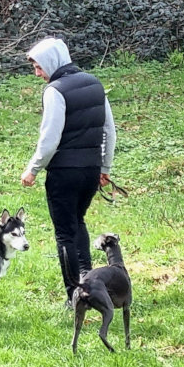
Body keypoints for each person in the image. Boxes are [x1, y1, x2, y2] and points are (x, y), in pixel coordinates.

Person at [19, 37, 117, 304]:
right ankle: (88, 281)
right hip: (91, 170)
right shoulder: (94, 83)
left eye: (39, 67)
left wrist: (33, 169)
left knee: (64, 232)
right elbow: (110, 130)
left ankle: (74, 293)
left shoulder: (56, 91)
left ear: (51, 62)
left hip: (64, 173)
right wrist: (105, 167)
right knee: (79, 222)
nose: (38, 74)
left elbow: (49, 138)